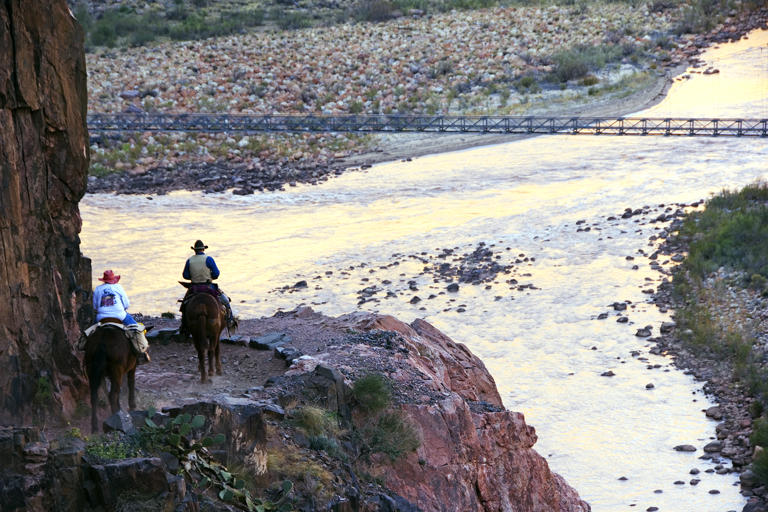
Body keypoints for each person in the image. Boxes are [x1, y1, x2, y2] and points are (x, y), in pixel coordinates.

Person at [81, 270, 150, 363]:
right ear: (113, 279)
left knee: (90, 332)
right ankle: (142, 352)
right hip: (120, 315)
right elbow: (126, 304)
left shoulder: (98, 289)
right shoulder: (118, 287)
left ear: (104, 280)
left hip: (101, 317)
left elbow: (95, 306)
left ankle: (83, 348)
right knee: (137, 329)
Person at [181, 240, 236, 329]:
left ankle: (183, 326)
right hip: (208, 286)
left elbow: (185, 275)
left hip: (194, 287)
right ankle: (230, 320)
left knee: (184, 305)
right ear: (203, 249)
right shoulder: (209, 259)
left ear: (194, 250)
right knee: (225, 301)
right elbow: (216, 274)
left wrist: (194, 276)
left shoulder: (189, 260)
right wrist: (210, 276)